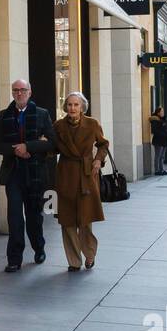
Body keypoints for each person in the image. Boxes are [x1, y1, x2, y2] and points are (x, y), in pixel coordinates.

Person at [0, 79, 56, 272]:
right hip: (13, 173)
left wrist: (29, 146)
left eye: (23, 90)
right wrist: (16, 150)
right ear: (12, 93)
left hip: (35, 172)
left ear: (30, 92)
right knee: (14, 217)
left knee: (33, 215)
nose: (19, 93)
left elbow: (53, 143)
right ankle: (14, 258)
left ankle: (39, 248)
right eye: (15, 90)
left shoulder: (42, 114)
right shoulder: (3, 116)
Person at [54, 92, 109, 272]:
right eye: (69, 105)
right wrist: (42, 145)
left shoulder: (92, 124)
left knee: (85, 219)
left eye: (76, 105)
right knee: (68, 220)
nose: (72, 108)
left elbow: (103, 144)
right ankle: (74, 261)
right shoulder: (58, 126)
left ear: (82, 107)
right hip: (66, 174)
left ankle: (90, 253)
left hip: (86, 174)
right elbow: (52, 148)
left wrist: (98, 160)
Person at [149, 106, 167, 175]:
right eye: (161, 111)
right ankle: (157, 170)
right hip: (158, 140)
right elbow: (154, 131)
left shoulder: (163, 119)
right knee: (158, 156)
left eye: (163, 111)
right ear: (158, 113)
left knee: (162, 156)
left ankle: (162, 170)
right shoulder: (155, 120)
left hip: (164, 140)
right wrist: (162, 133)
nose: (163, 113)